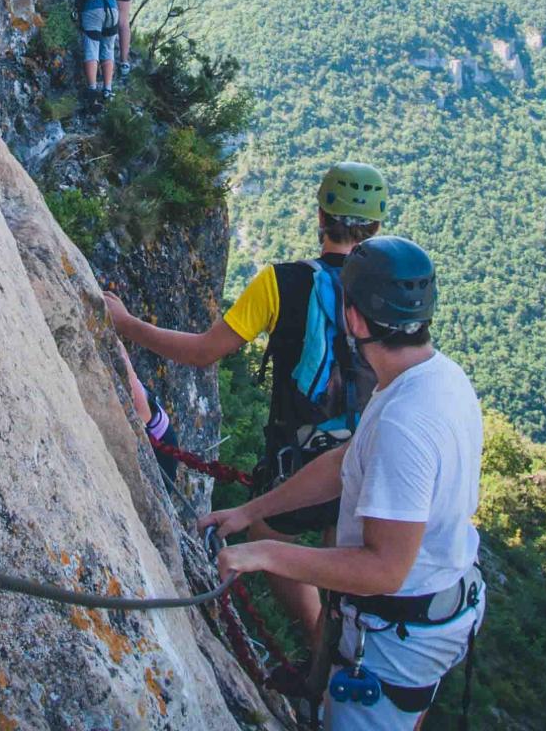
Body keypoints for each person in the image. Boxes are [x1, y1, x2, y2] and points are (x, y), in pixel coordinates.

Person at [199, 236, 484, 729]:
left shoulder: (404, 421)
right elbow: (345, 463)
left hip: (397, 634)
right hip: (435, 608)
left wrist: (266, 553)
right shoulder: (437, 377)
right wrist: (252, 512)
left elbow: (384, 568)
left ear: (353, 318)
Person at [103, 162, 390, 643]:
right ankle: (338, 654)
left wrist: (127, 324)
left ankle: (316, 632)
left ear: (320, 215)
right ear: (377, 227)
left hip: (296, 460)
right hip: (368, 458)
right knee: (347, 573)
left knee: (268, 537)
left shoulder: (280, 283)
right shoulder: (392, 293)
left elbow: (202, 352)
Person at [114, 339, 181, 482]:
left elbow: (143, 415)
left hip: (163, 443)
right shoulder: (117, 350)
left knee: (161, 489)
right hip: (160, 431)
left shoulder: (122, 361)